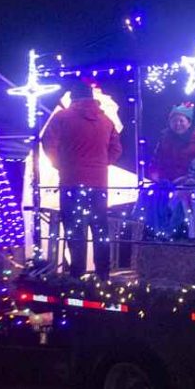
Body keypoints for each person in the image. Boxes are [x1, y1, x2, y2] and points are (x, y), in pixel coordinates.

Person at [42, 77, 122, 279]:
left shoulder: (62, 117)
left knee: (75, 229)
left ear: (73, 98)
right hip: (99, 184)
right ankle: (103, 275)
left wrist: (60, 164)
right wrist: (101, 164)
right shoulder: (106, 121)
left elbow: (48, 142)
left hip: (71, 182)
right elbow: (116, 149)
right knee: (100, 228)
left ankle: (77, 275)